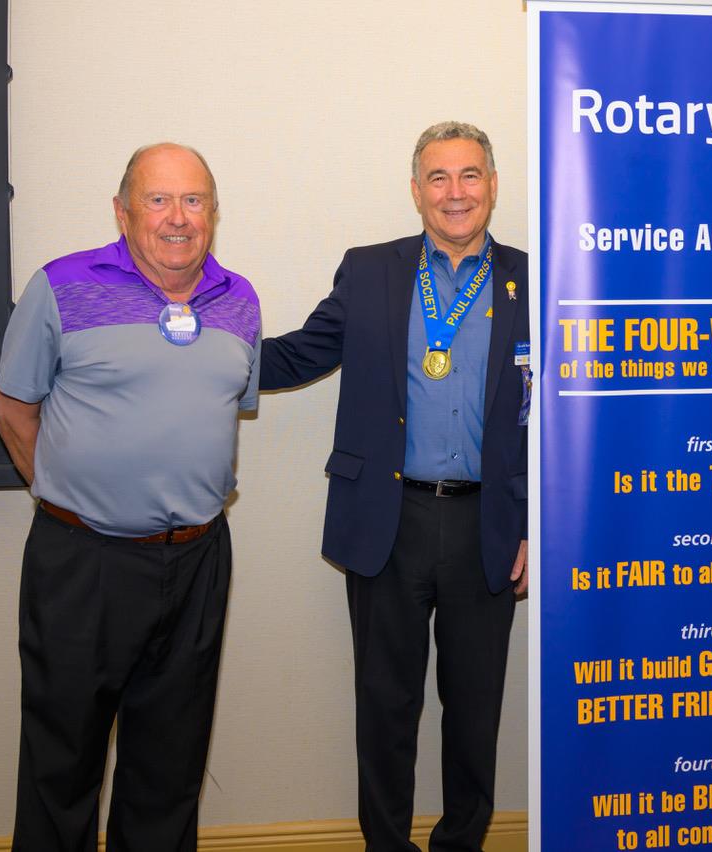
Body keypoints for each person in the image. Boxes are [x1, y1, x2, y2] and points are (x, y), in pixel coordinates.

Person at [261, 121, 528, 852]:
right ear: (415, 191)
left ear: (494, 185)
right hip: (389, 516)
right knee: (385, 706)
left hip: (489, 525)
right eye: (438, 178)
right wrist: (200, 356)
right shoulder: (371, 269)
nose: (455, 193)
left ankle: (461, 842)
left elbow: (561, 418)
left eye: (470, 175)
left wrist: (538, 519)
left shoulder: (533, 281)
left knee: (475, 711)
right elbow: (299, 354)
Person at [0, 143, 261, 850]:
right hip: (83, 563)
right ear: (122, 211)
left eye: (195, 200)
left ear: (214, 213)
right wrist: (74, 500)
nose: (179, 218)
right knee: (63, 763)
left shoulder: (239, 300)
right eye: (159, 199)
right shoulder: (60, 286)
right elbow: (13, 412)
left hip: (198, 559)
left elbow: (220, 408)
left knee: (170, 767)